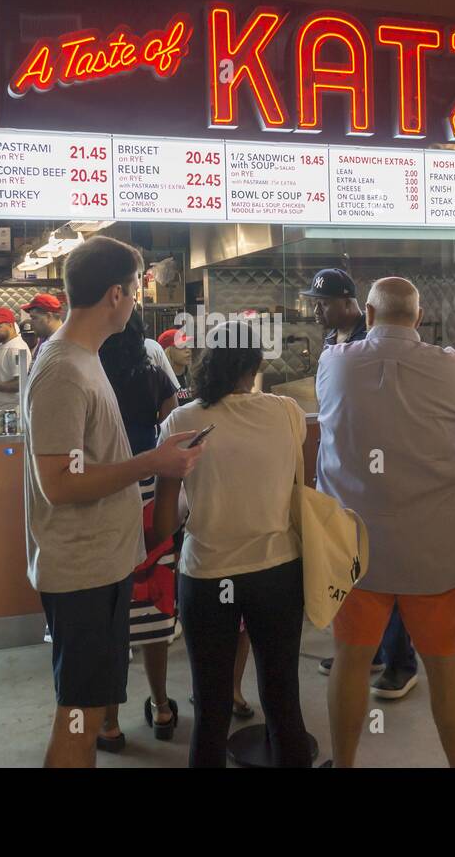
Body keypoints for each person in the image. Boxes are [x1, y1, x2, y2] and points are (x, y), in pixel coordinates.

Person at [24, 235, 203, 768]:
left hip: (101, 566)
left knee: (87, 707)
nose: (136, 300)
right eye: (134, 290)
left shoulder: (85, 357)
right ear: (114, 295)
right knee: (77, 719)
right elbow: (59, 482)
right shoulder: (61, 370)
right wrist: (154, 463)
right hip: (81, 573)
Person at [319, 277, 455, 767]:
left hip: (356, 549)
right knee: (447, 666)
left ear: (367, 314)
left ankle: (344, 763)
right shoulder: (454, 368)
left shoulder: (335, 363)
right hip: (436, 547)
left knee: (350, 662)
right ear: (419, 316)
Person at [153, 319, 310, 767]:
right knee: (284, 702)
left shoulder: (182, 421)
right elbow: (293, 487)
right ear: (257, 362)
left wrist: (186, 499)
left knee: (211, 707)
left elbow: (164, 525)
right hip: (277, 572)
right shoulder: (288, 413)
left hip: (206, 575)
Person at [304, 268, 415, 692]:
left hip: (377, 477)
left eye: (324, 302)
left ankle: (401, 663)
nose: (317, 309)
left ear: (352, 303)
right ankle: (363, 650)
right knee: (352, 570)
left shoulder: (372, 342)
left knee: (384, 570)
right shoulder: (335, 341)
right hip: (344, 476)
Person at [95, 308, 179, 752]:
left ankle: (108, 721)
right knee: (153, 602)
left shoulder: (86, 370)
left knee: (112, 612)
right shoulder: (153, 369)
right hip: (149, 495)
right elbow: (172, 427)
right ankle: (162, 707)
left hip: (103, 494)